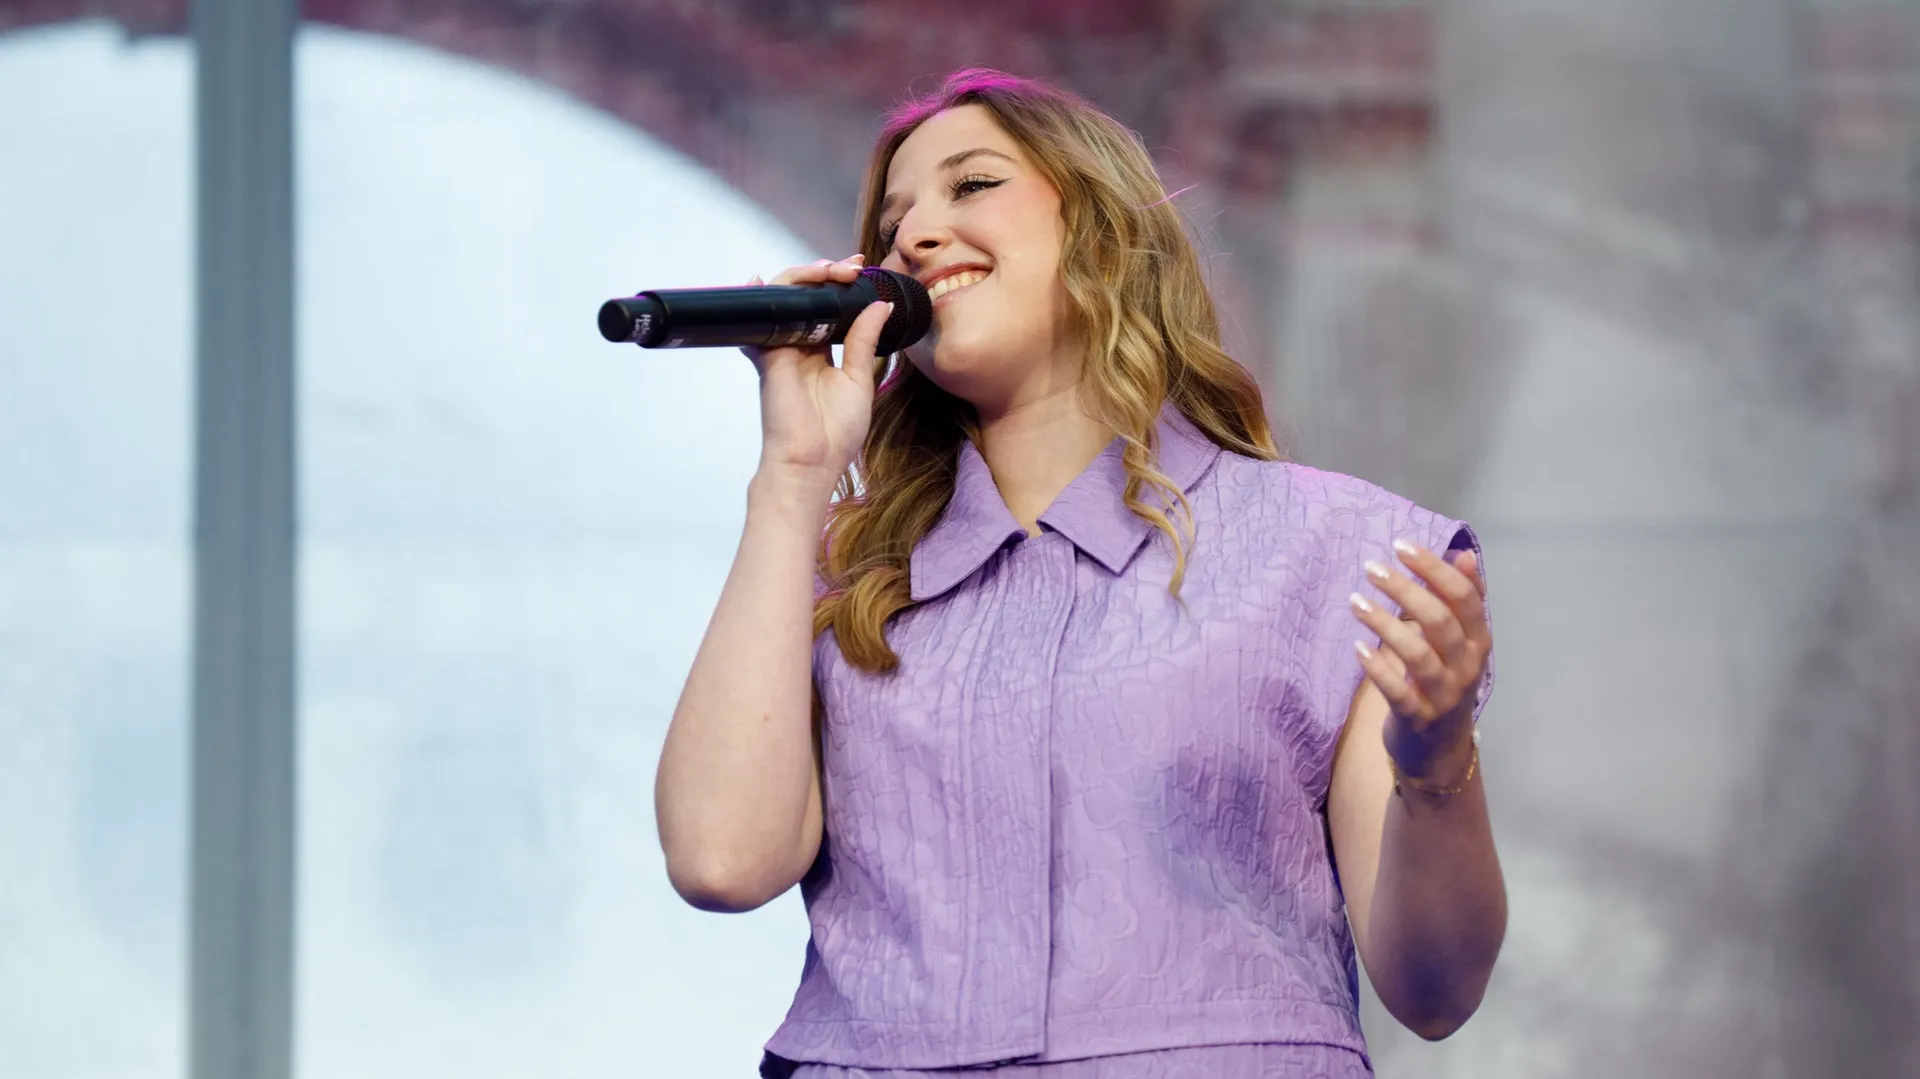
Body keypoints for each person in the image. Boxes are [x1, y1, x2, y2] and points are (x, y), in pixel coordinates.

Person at [654, 68, 1506, 1079]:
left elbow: (1436, 988)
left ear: (1101, 229)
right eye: (893, 224)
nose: (916, 235)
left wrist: (1433, 761)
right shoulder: (843, 565)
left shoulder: (1335, 547)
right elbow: (720, 860)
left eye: (971, 186)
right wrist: (793, 477)